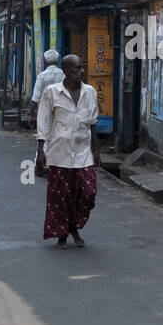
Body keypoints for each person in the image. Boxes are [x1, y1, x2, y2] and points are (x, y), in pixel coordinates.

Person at [35, 54, 100, 247]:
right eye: (77, 68)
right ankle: (63, 233)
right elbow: (44, 120)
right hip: (59, 153)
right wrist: (40, 150)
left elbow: (93, 122)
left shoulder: (90, 92)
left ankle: (73, 226)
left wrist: (97, 150)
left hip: (83, 153)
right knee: (61, 198)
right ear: (66, 70)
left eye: (82, 68)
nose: (81, 71)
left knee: (87, 192)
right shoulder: (51, 92)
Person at [28, 49, 65, 170]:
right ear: (58, 60)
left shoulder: (42, 76)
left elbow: (36, 96)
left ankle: (40, 162)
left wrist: (31, 114)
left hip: (44, 110)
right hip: (61, 109)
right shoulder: (63, 74)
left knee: (43, 136)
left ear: (45, 61)